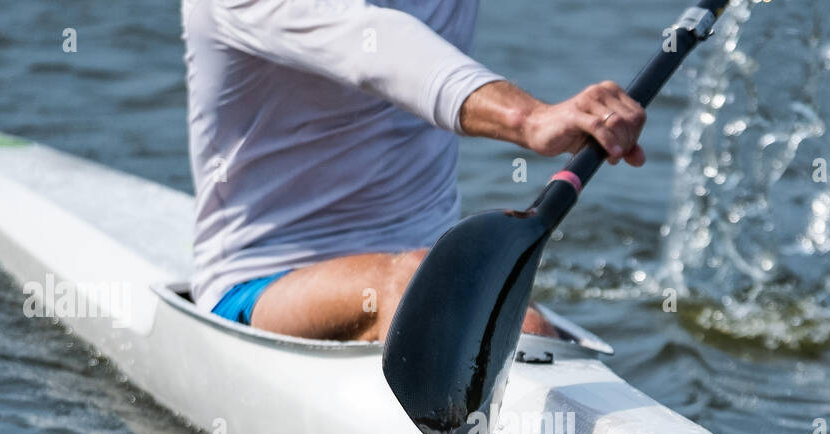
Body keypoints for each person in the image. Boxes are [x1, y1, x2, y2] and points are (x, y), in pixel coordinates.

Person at [182, 0, 646, 341]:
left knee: (528, 329)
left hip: (430, 260)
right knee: (422, 284)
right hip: (262, 281)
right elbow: (372, 46)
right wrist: (528, 118)